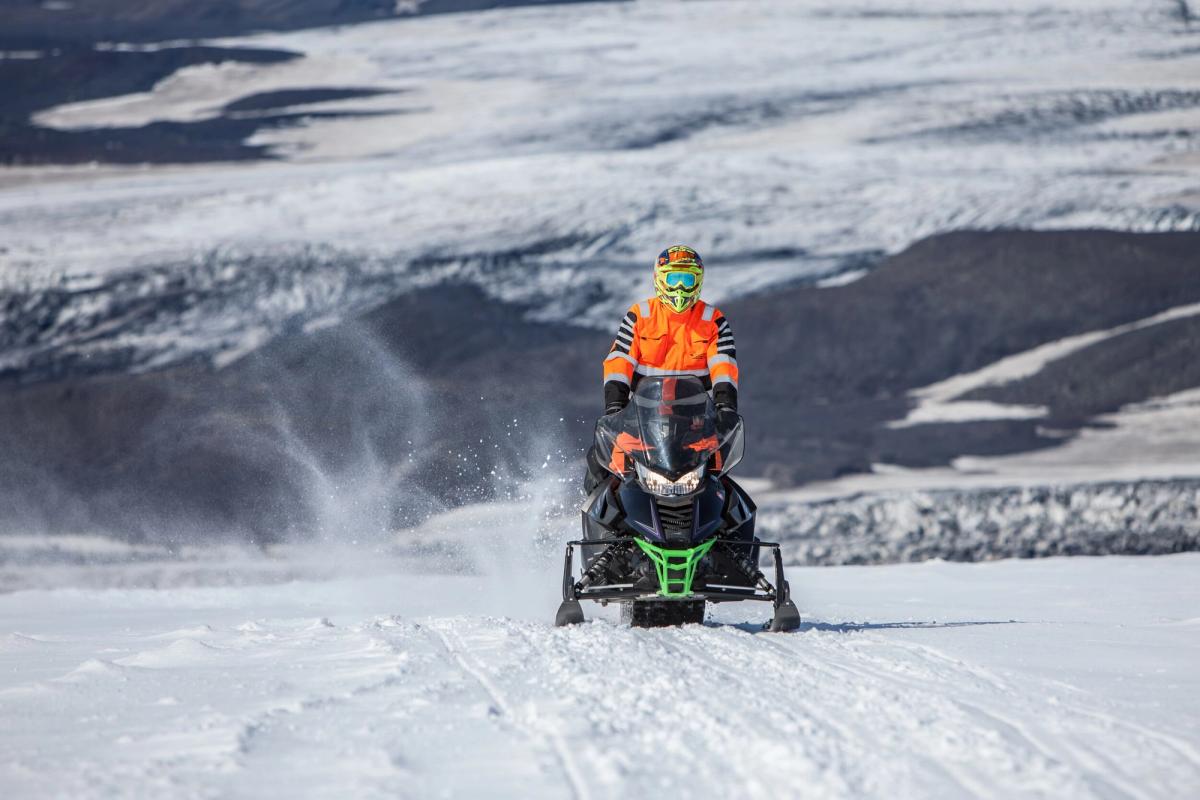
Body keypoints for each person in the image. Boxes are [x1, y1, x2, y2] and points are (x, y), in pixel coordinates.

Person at [584, 244, 739, 492]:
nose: (680, 288)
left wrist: (726, 407)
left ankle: (727, 527)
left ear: (698, 282)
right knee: (602, 463)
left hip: (695, 423)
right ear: (660, 279)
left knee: (718, 474)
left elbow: (725, 366)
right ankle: (599, 524)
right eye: (674, 278)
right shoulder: (640, 316)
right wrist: (615, 406)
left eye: (687, 280)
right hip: (641, 418)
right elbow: (618, 362)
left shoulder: (713, 321)